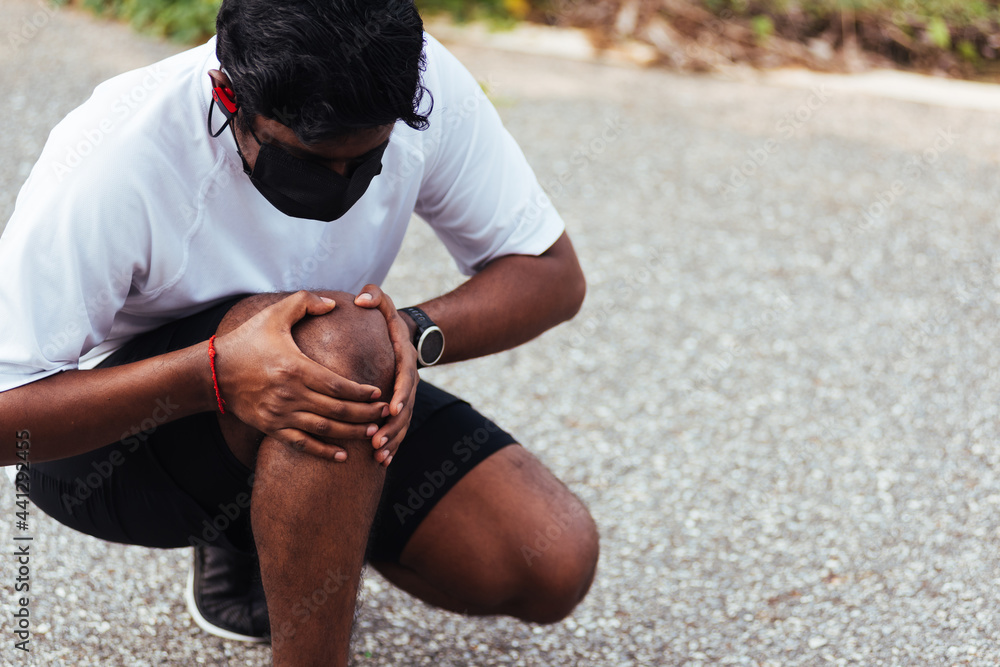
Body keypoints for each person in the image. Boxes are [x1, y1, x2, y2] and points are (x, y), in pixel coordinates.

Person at [0, 0, 599, 663]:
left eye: (366, 161)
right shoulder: (118, 154)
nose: (340, 184)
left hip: (327, 373)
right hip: (104, 447)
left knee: (550, 559)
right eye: (307, 163)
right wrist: (213, 375)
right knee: (338, 341)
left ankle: (286, 523)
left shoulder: (414, 80)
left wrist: (408, 332)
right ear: (227, 95)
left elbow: (551, 274)